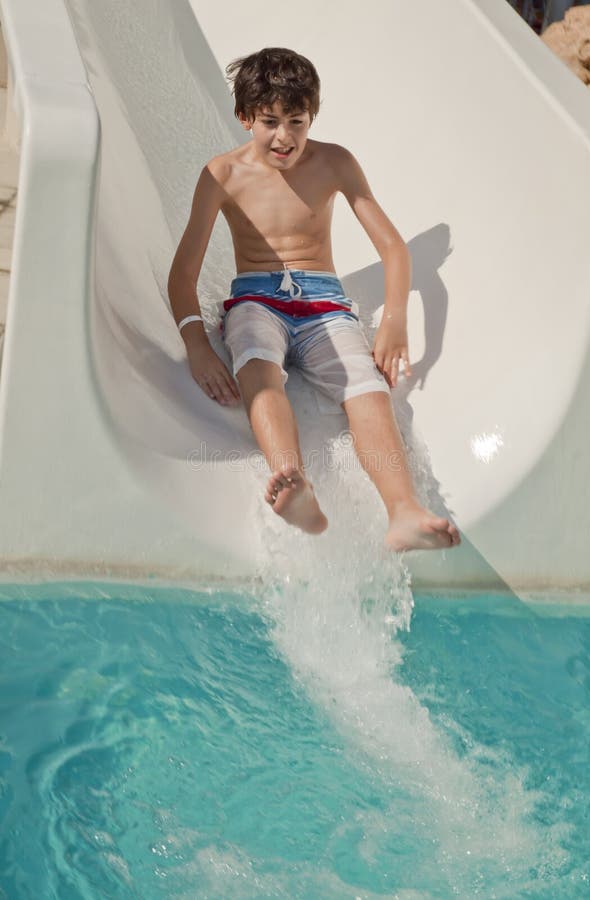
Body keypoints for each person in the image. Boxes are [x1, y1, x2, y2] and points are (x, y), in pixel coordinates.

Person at [168, 47, 460, 551]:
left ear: (312, 117)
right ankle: (291, 480)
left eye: (297, 121)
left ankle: (404, 509)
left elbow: (393, 247)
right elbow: (182, 275)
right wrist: (196, 344)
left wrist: (394, 321)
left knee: (365, 385)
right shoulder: (223, 175)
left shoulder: (335, 162)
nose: (285, 136)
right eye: (270, 122)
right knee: (258, 366)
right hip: (257, 297)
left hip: (324, 300)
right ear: (244, 119)